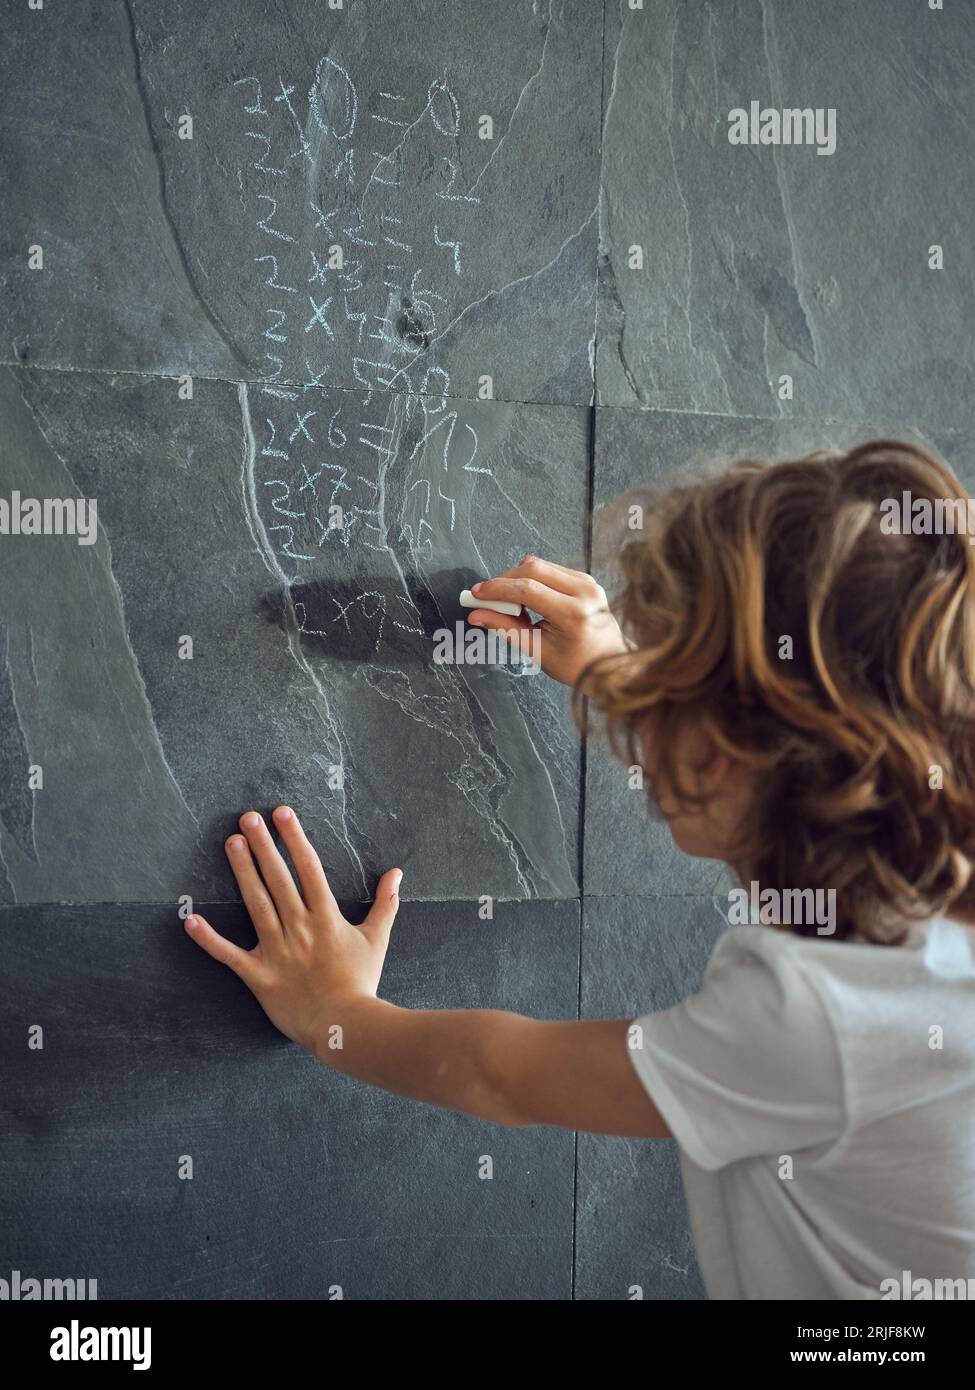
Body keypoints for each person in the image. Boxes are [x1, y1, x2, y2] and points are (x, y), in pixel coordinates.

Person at [185, 439, 975, 1299]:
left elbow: (504, 1074)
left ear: (719, 757)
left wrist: (333, 1014)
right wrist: (622, 675)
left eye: (670, 684)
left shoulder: (816, 1016)